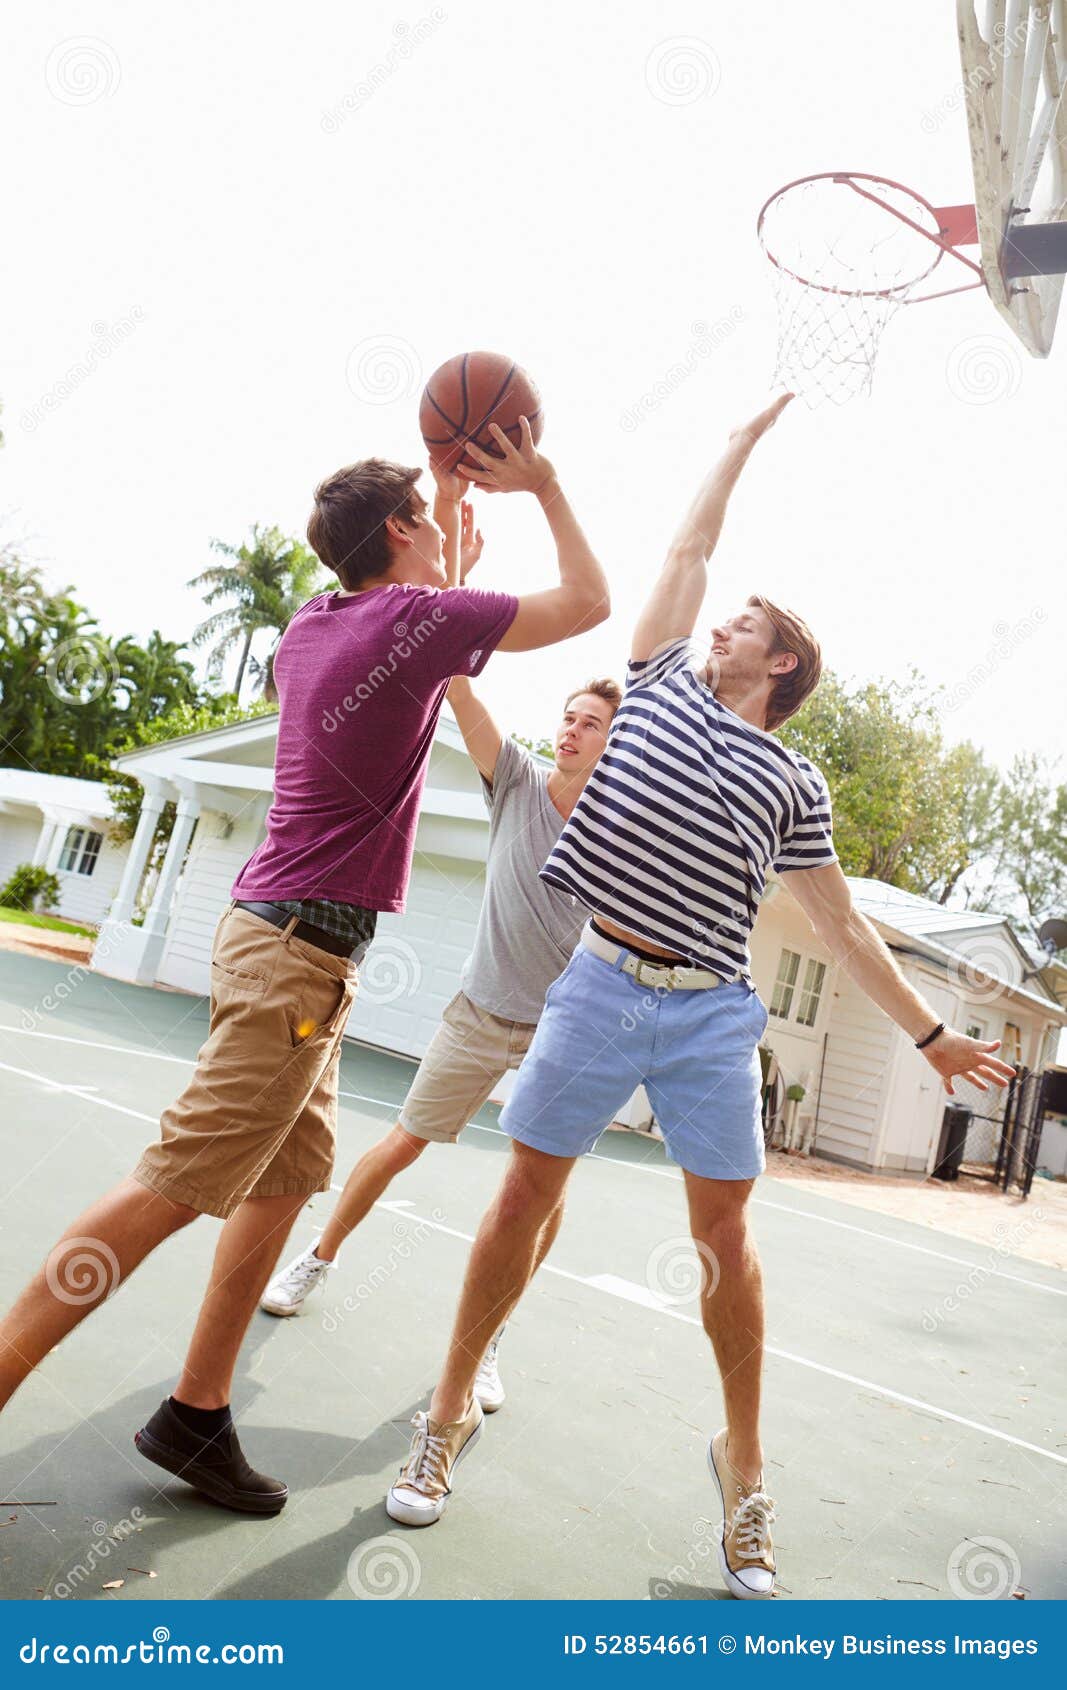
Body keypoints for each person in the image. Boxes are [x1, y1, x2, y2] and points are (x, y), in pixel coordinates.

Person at [383, 395, 1015, 1598]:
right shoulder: (658, 681)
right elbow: (685, 552)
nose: (716, 620)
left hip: (712, 1012)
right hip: (598, 981)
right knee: (523, 1191)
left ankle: (744, 1463)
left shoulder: (796, 779)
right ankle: (448, 1408)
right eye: (722, 614)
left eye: (745, 623)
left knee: (721, 1239)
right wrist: (730, 447)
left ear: (778, 663)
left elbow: (837, 924)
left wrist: (928, 1035)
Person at [0, 420, 610, 1517]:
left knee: (289, 1174)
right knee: (173, 1184)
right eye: (424, 522)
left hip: (290, 953)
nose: (439, 536)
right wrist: (546, 486)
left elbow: (421, 620)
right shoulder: (417, 620)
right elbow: (587, 604)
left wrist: (442, 524)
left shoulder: (312, 621)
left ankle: (194, 1412)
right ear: (398, 533)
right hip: (297, 962)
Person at [260, 663, 621, 1423]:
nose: (571, 729)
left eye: (590, 722)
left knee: (540, 1190)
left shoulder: (623, 815)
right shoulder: (519, 782)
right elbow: (458, 690)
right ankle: (317, 1258)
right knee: (401, 1143)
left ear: (614, 742)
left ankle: (489, 1342)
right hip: (481, 1009)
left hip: (565, 1030)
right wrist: (452, 611)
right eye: (567, 715)